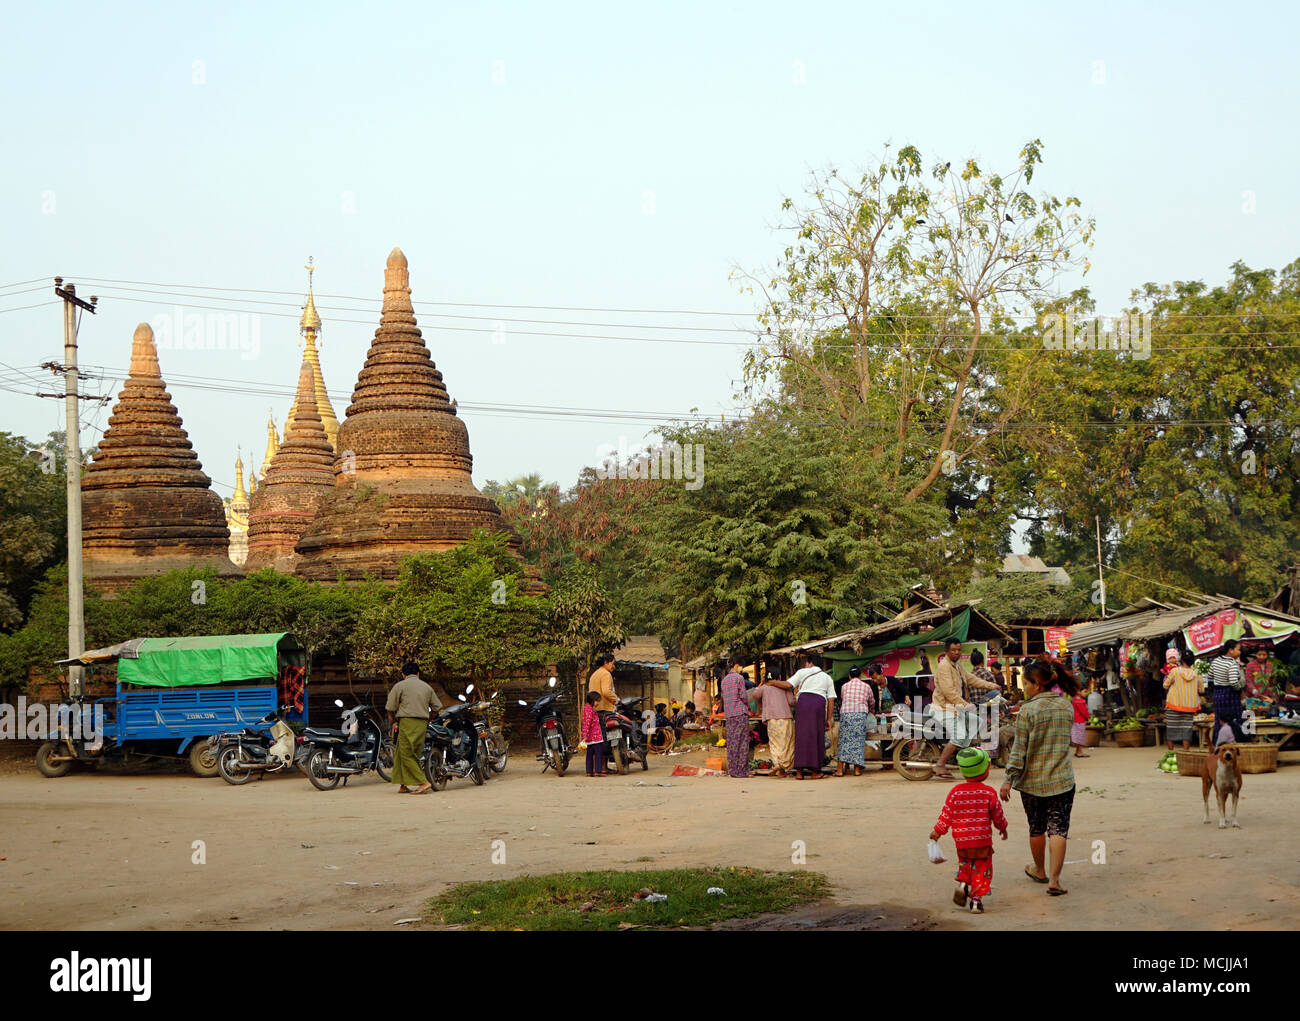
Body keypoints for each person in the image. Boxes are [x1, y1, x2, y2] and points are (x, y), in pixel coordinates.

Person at [1001, 659, 1076, 896]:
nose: (1024, 687)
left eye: (1026, 682)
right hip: (1062, 780)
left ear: (1037, 684)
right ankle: (1054, 880)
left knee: (1036, 828)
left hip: (1032, 783)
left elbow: (1019, 750)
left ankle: (1040, 871)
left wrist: (1008, 779)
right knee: (1058, 830)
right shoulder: (1066, 707)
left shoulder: (1028, 711)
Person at [930, 747, 1009, 914]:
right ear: (985, 770)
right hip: (982, 841)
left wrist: (937, 831)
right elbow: (997, 815)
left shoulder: (955, 792)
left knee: (965, 864)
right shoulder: (988, 793)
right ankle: (975, 901)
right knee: (982, 868)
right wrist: (1003, 828)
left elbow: (946, 814)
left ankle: (964, 884)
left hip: (962, 841)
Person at [932, 639, 999, 780]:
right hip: (944, 709)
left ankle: (960, 755)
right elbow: (948, 691)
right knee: (960, 735)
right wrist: (964, 704)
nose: (957, 652)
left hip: (957, 708)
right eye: (953, 650)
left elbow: (972, 679)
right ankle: (940, 764)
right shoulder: (944, 666)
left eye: (958, 650)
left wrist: (992, 686)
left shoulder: (957, 666)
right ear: (947, 651)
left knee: (977, 722)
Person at [385, 661, 440, 795]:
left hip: (407, 722)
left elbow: (390, 707)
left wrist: (392, 720)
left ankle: (424, 782)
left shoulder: (399, 686)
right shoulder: (426, 687)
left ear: (403, 675)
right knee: (409, 753)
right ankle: (403, 785)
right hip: (422, 723)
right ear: (418, 673)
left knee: (405, 754)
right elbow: (437, 707)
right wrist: (429, 720)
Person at [791, 654, 836, 780]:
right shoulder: (827, 678)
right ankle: (815, 772)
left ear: (810, 663)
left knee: (801, 737)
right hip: (818, 705)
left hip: (802, 704)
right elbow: (831, 700)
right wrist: (828, 719)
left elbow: (788, 684)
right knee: (816, 737)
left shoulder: (802, 672)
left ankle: (799, 772)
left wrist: (771, 682)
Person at [836, 666, 875, 776]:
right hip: (860, 714)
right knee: (858, 741)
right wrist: (871, 709)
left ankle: (839, 770)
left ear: (849, 676)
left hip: (846, 714)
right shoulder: (866, 686)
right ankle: (857, 770)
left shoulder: (844, 686)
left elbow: (843, 698)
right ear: (860, 676)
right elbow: (871, 701)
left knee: (843, 740)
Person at [754, 672, 795, 777]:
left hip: (771, 719)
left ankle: (778, 765)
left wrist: (761, 683)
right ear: (779, 676)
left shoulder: (764, 688)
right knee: (787, 744)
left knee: (774, 744)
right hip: (785, 718)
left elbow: (755, 695)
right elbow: (792, 702)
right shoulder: (785, 687)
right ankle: (783, 766)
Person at [1209, 640, 1249, 745]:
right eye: (1238, 649)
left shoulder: (1216, 660)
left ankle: (1218, 745)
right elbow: (1233, 682)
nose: (1240, 652)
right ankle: (1237, 743)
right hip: (1230, 694)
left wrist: (1220, 678)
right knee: (1235, 720)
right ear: (1231, 650)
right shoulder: (1232, 663)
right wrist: (1240, 690)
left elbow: (1210, 675)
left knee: (1219, 720)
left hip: (1218, 694)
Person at [720, 658, 754, 778]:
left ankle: (733, 770)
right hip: (740, 713)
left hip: (729, 715)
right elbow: (744, 696)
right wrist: (748, 707)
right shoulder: (739, 678)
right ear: (736, 665)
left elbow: (724, 698)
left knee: (732, 742)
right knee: (742, 743)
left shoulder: (724, 680)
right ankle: (742, 771)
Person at [1164, 650, 1204, 750]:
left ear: (1181, 660)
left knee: (1171, 728)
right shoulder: (1196, 674)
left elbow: (1165, 685)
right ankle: (1186, 751)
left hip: (1174, 704)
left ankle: (1171, 753)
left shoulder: (1175, 671)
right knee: (1186, 729)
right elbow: (1202, 690)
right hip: (1189, 707)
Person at [581, 691, 608, 777]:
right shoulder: (590, 710)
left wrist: (584, 737)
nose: (598, 703)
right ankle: (598, 771)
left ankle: (589, 772)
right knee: (598, 754)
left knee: (589, 755)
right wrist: (584, 736)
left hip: (589, 739)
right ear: (592, 700)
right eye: (597, 701)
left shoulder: (587, 708)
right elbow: (587, 723)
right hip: (595, 738)